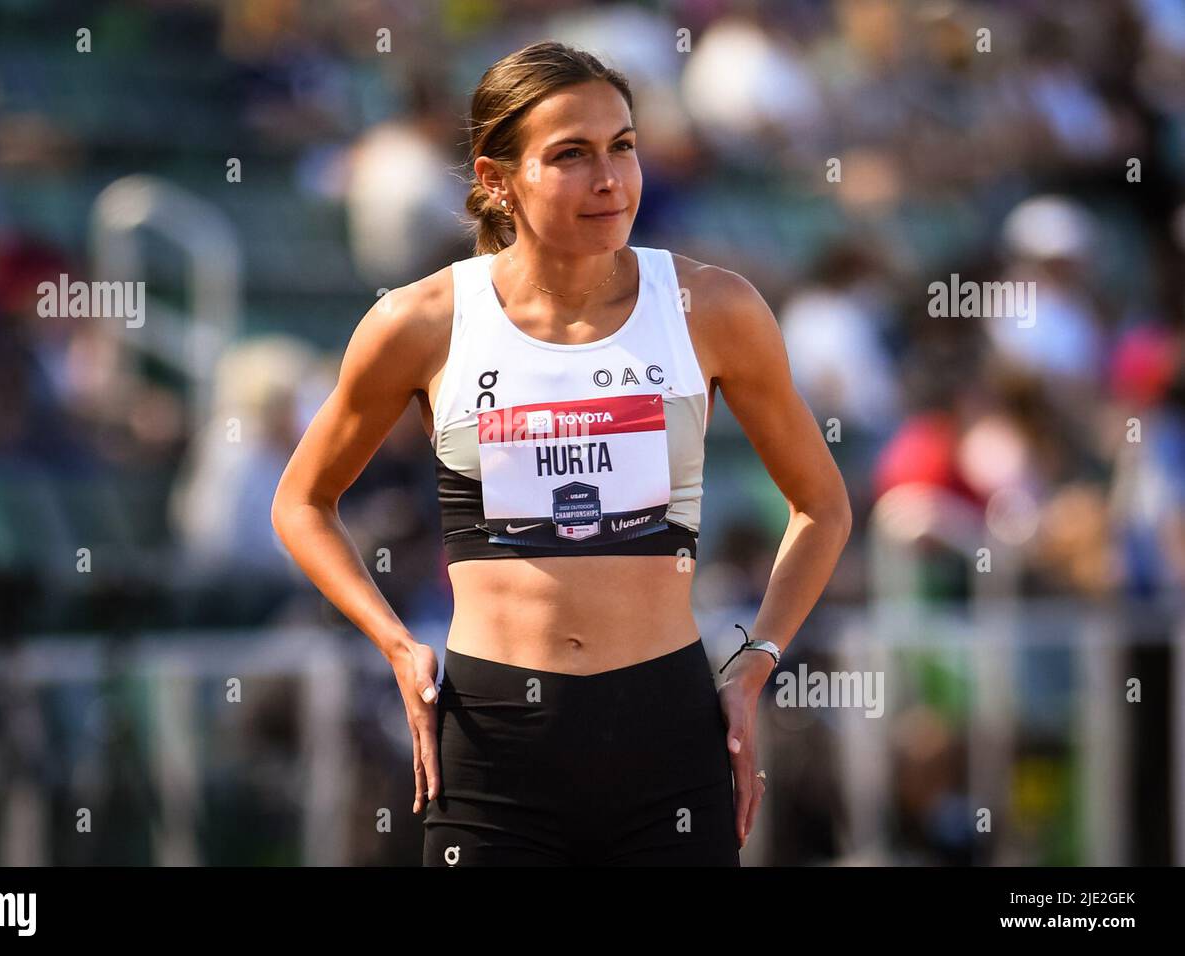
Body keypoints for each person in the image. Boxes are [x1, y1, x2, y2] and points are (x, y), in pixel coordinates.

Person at [271, 41, 851, 866]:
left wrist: (758, 658)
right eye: (571, 155)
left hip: (667, 730)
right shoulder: (423, 321)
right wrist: (398, 645)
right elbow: (300, 502)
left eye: (623, 146)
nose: (610, 178)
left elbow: (822, 506)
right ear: (496, 177)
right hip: (492, 738)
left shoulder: (711, 308)